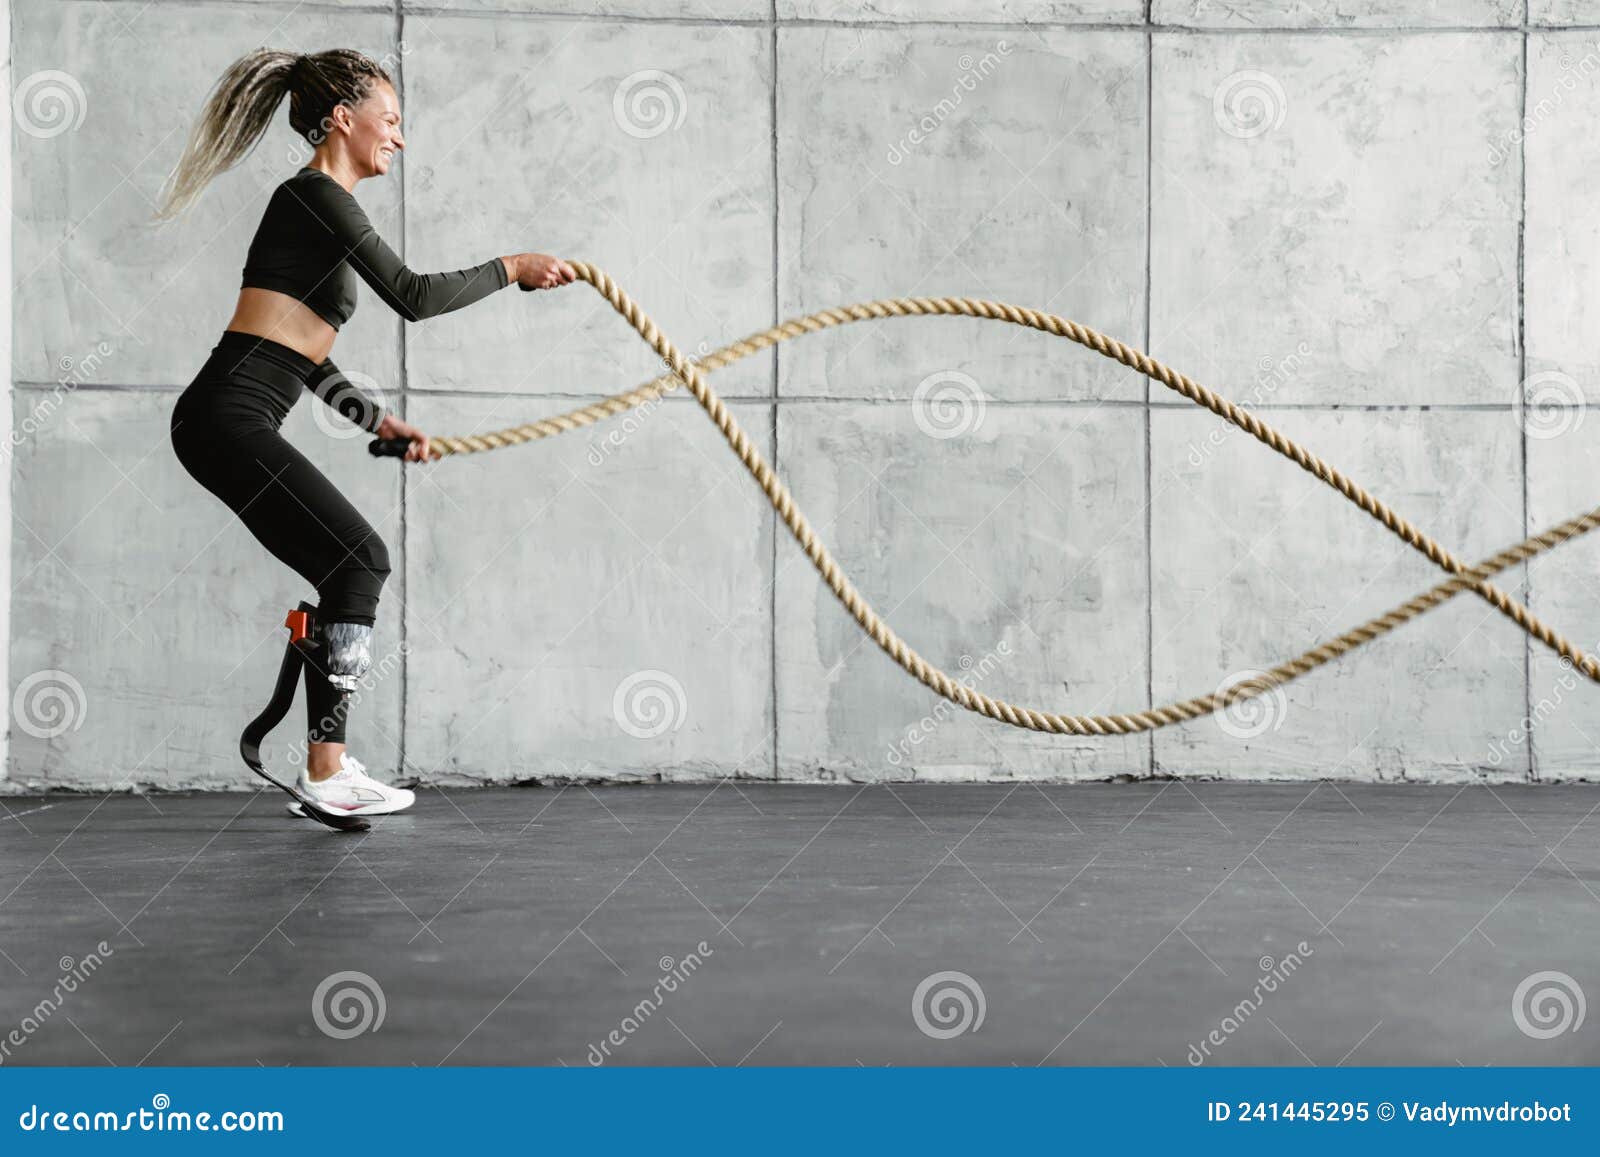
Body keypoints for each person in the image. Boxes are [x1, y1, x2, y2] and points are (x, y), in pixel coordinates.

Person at [156, 47, 577, 818]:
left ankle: (326, 770)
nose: (400, 137)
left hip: (222, 416)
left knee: (345, 568)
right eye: (391, 120)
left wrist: (377, 420)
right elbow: (413, 296)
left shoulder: (313, 205)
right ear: (344, 120)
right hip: (225, 415)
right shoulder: (317, 195)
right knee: (361, 558)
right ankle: (327, 770)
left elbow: (300, 353)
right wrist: (511, 265)